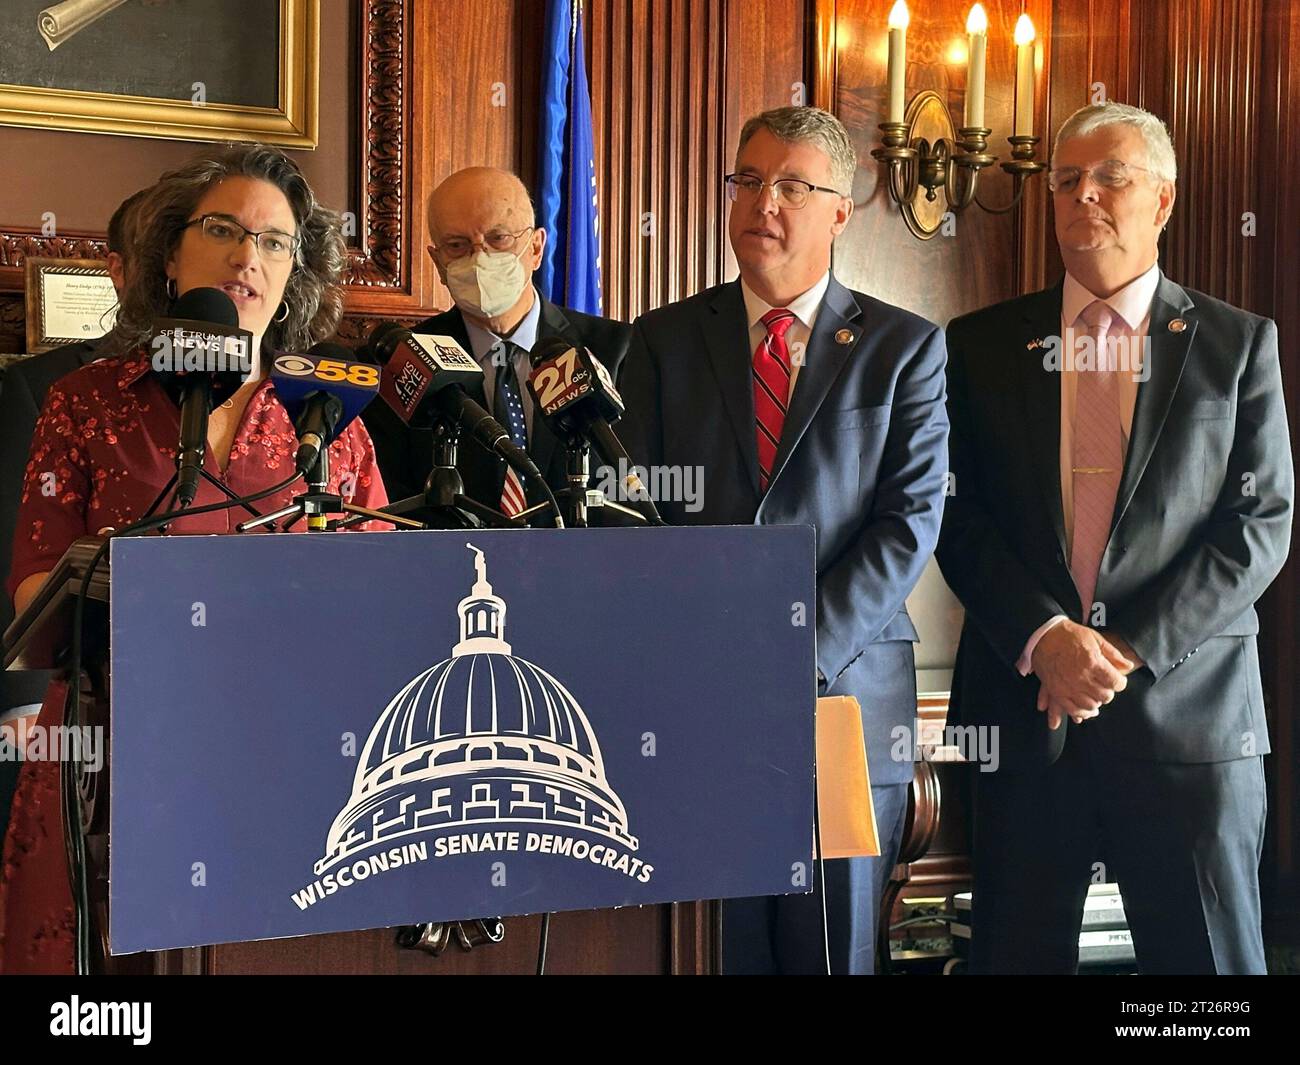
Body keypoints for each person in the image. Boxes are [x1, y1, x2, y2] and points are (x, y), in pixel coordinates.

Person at [0, 142, 388, 974]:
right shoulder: (86, 399)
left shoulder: (330, 418)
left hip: (284, 755)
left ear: (296, 275)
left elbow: (380, 595)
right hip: (105, 751)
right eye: (224, 230)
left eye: (276, 242)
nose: (250, 256)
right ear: (171, 254)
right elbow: (37, 582)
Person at [936, 102, 1293, 974]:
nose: (1082, 195)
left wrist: (1123, 648)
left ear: (1163, 201)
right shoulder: (979, 346)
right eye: (1065, 181)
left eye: (1110, 178)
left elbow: (1260, 524)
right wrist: (1048, 637)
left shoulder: (1235, 346)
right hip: (1026, 725)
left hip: (1191, 730)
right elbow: (952, 512)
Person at [618, 106, 949, 974]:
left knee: (831, 954)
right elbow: (632, 510)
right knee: (710, 950)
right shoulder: (659, 340)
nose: (764, 202)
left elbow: (907, 525)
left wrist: (799, 652)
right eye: (749, 180)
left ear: (841, 211)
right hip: (699, 700)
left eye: (793, 185)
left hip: (842, 698)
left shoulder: (903, 350)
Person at [0, 188, 148, 842]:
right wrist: (26, 704)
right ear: (124, 270)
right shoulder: (44, 388)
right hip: (77, 707)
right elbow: (19, 548)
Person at [362, 167, 631, 518]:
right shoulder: (399, 365)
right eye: (457, 246)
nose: (479, 258)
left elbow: (635, 490)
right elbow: (391, 506)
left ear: (536, 248)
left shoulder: (618, 351)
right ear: (438, 263)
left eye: (499, 238)